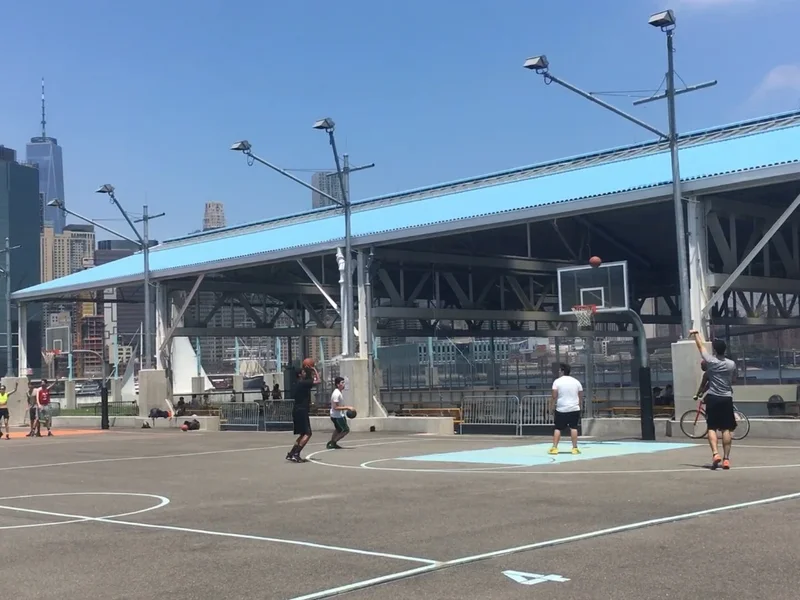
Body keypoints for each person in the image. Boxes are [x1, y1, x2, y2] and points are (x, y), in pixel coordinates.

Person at [689, 329, 737, 470]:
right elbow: (733, 379)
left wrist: (696, 334)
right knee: (726, 429)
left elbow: (701, 347)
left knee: (711, 427)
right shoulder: (731, 364)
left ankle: (715, 454)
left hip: (713, 398)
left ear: (715, 350)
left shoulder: (710, 361)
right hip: (726, 397)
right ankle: (726, 459)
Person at [286, 365, 320, 463]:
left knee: (302, 434)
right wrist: (314, 369)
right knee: (308, 433)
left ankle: (291, 453)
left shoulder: (297, 383)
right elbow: (318, 381)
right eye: (304, 372)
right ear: (300, 374)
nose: (305, 373)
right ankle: (296, 454)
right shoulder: (303, 382)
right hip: (302, 410)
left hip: (297, 410)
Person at [548, 363, 583, 455]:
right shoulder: (576, 382)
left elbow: (554, 396)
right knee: (574, 428)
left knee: (558, 428)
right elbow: (580, 396)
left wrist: (551, 408)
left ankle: (554, 447)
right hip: (574, 408)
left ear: (562, 371)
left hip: (561, 409)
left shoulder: (557, 382)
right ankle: (575, 448)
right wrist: (580, 407)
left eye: (560, 370)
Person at [327, 377, 355, 450]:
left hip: (338, 415)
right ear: (338, 384)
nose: (343, 384)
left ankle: (331, 442)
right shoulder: (336, 394)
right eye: (342, 383)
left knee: (338, 429)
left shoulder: (339, 392)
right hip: (337, 416)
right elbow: (335, 407)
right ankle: (333, 443)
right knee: (345, 430)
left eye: (343, 382)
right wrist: (348, 408)